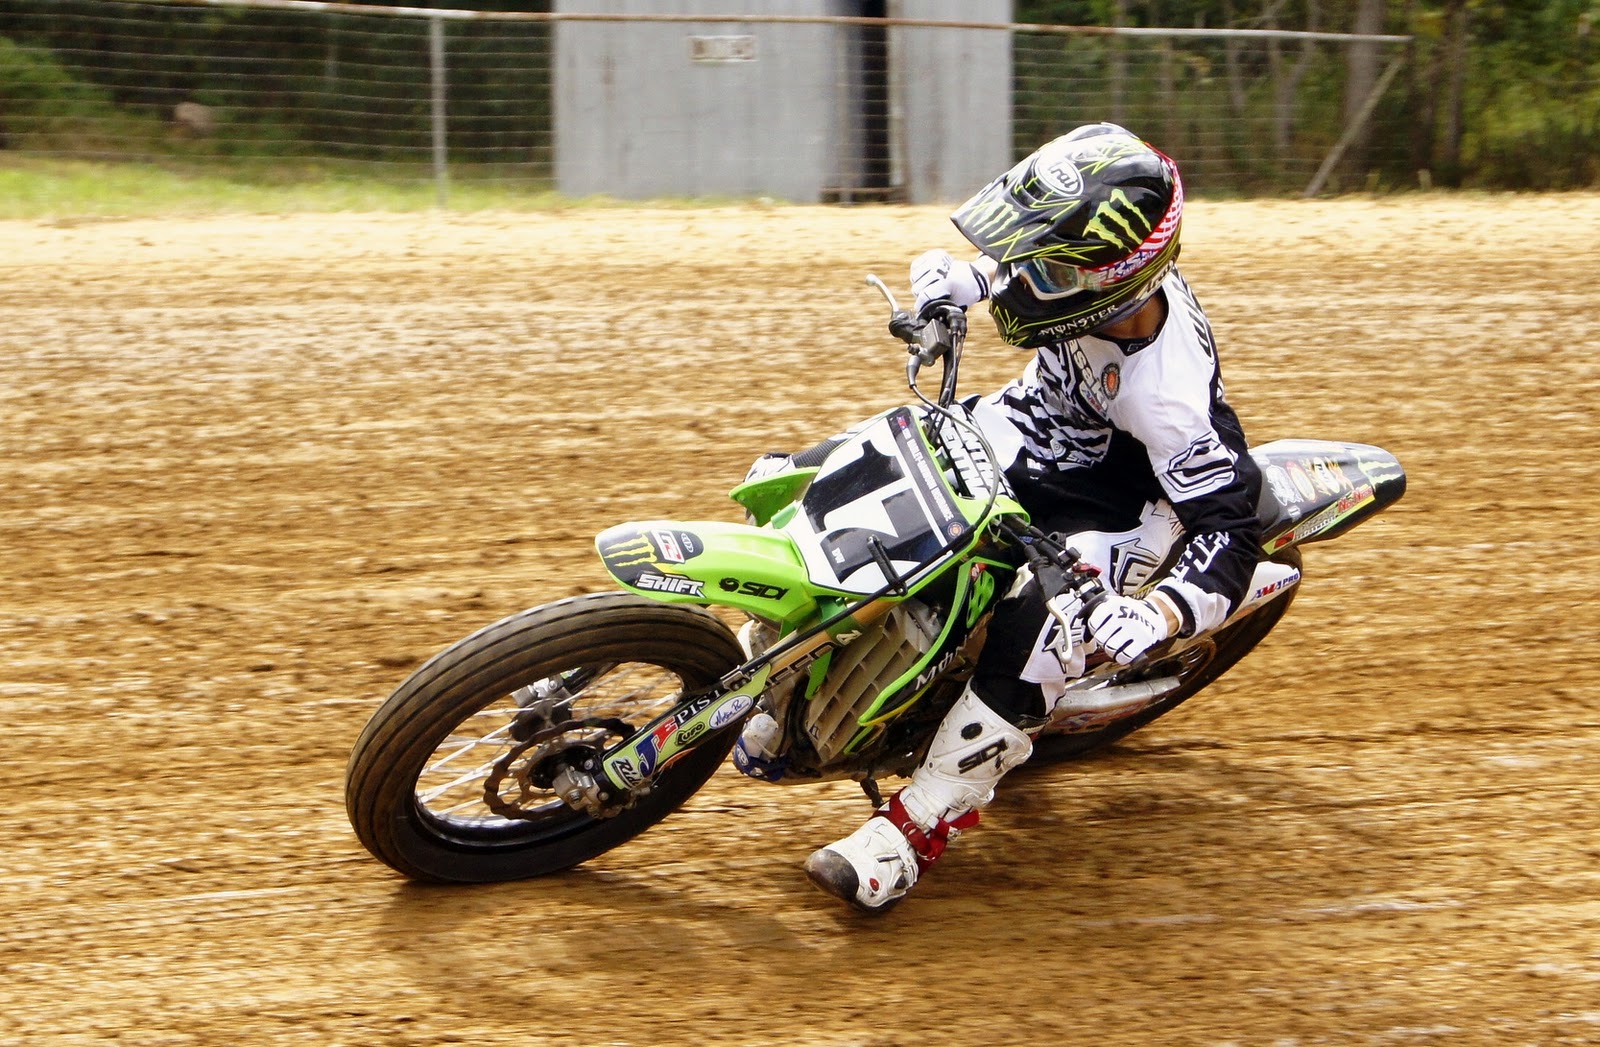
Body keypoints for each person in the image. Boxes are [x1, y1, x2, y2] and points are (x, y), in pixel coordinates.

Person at [797, 123, 1264, 912]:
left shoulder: (1168, 397)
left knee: (1041, 623)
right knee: (850, 459)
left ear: (1113, 283)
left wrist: (1158, 612)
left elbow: (1231, 529)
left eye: (1046, 269)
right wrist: (966, 282)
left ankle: (912, 831)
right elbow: (1030, 257)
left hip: (1117, 504)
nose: (1026, 278)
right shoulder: (1091, 281)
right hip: (1030, 429)